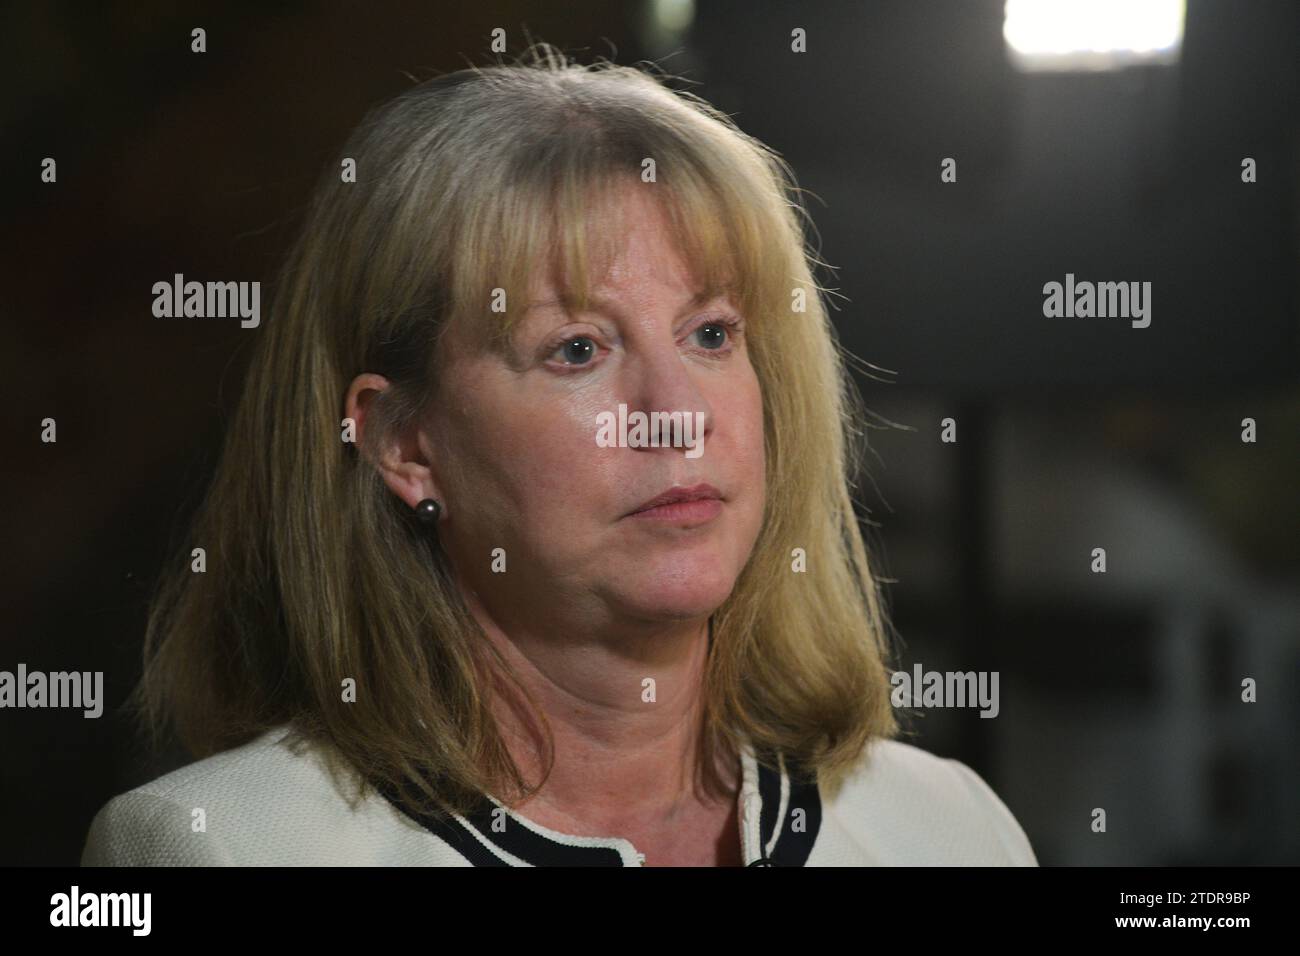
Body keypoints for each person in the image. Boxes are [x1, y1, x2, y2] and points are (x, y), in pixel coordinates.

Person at [81, 43, 1037, 867]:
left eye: (710, 335)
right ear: (403, 443)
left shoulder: (951, 829)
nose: (676, 415)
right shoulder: (222, 848)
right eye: (577, 348)